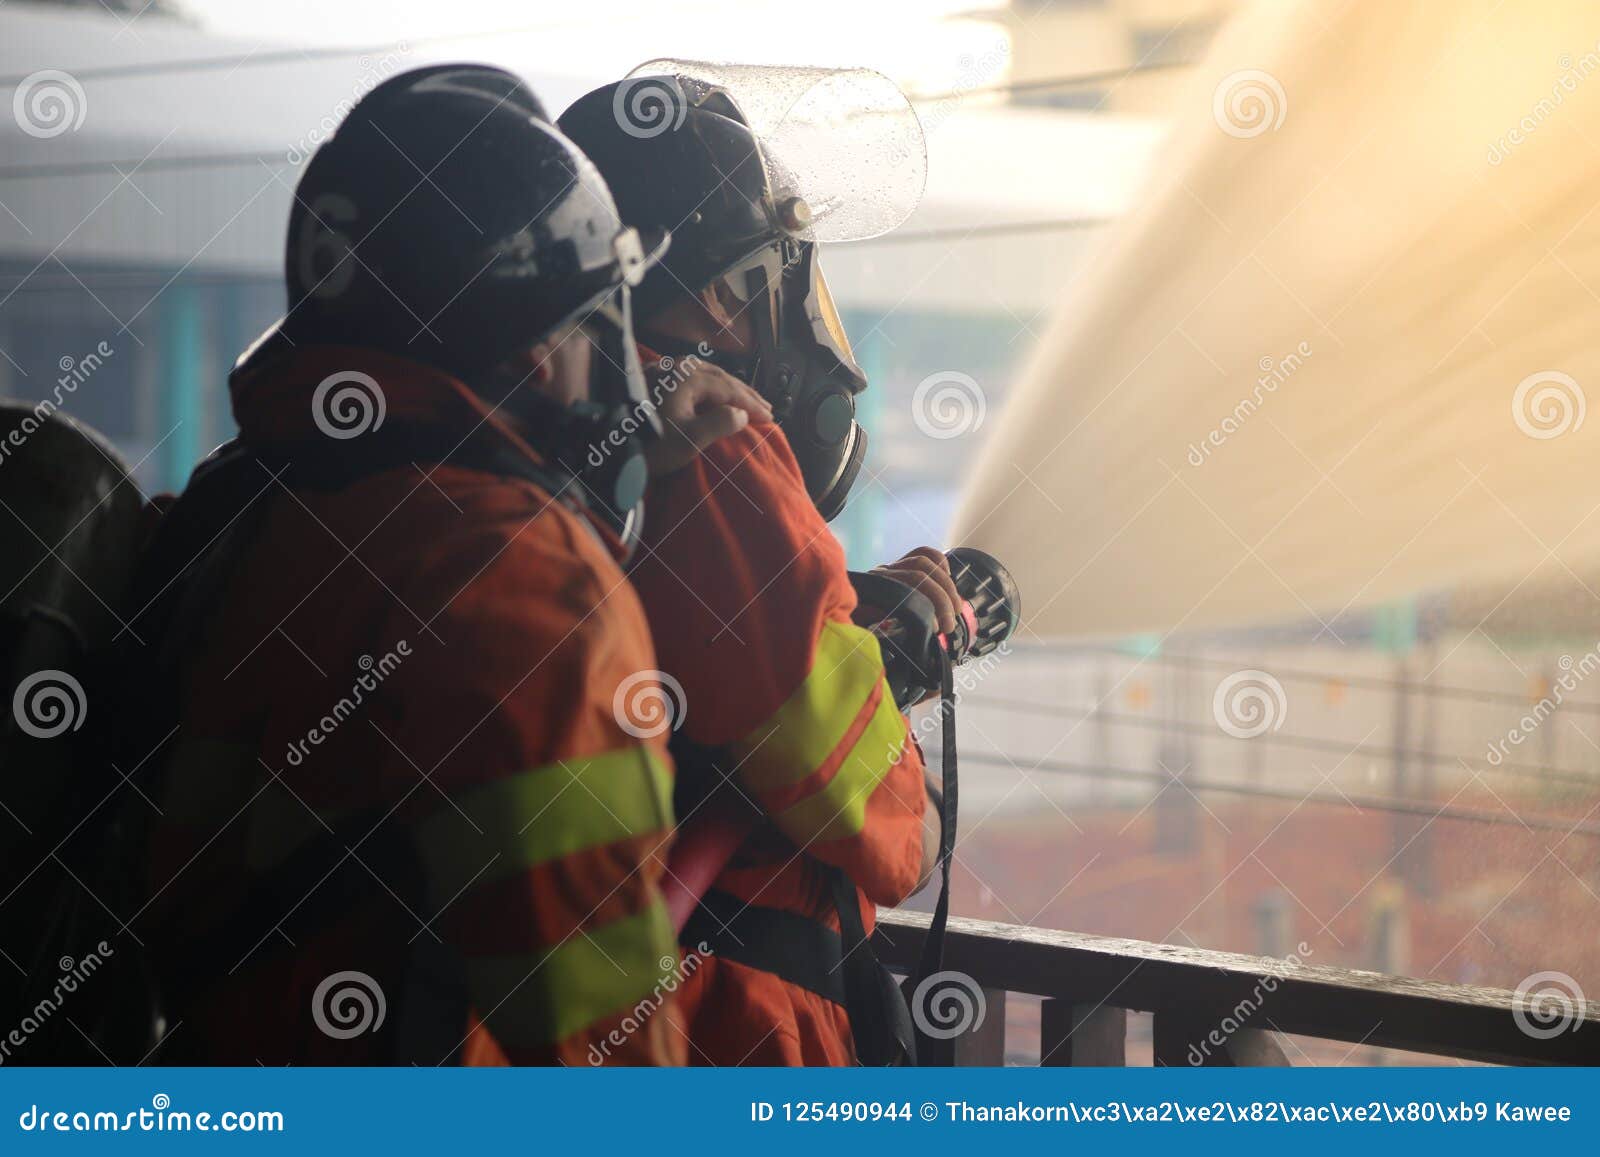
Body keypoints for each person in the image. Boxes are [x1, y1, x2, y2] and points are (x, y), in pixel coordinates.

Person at [121, 65, 762, 1065]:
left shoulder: (235, 504)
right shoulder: (519, 581)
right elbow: (591, 1029)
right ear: (534, 350)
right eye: (597, 326)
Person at [560, 65, 960, 1065]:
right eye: (775, 279)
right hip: (726, 1010)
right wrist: (895, 659)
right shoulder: (711, 438)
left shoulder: (565, 427)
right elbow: (859, 808)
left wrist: (844, 612)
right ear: (727, 290)